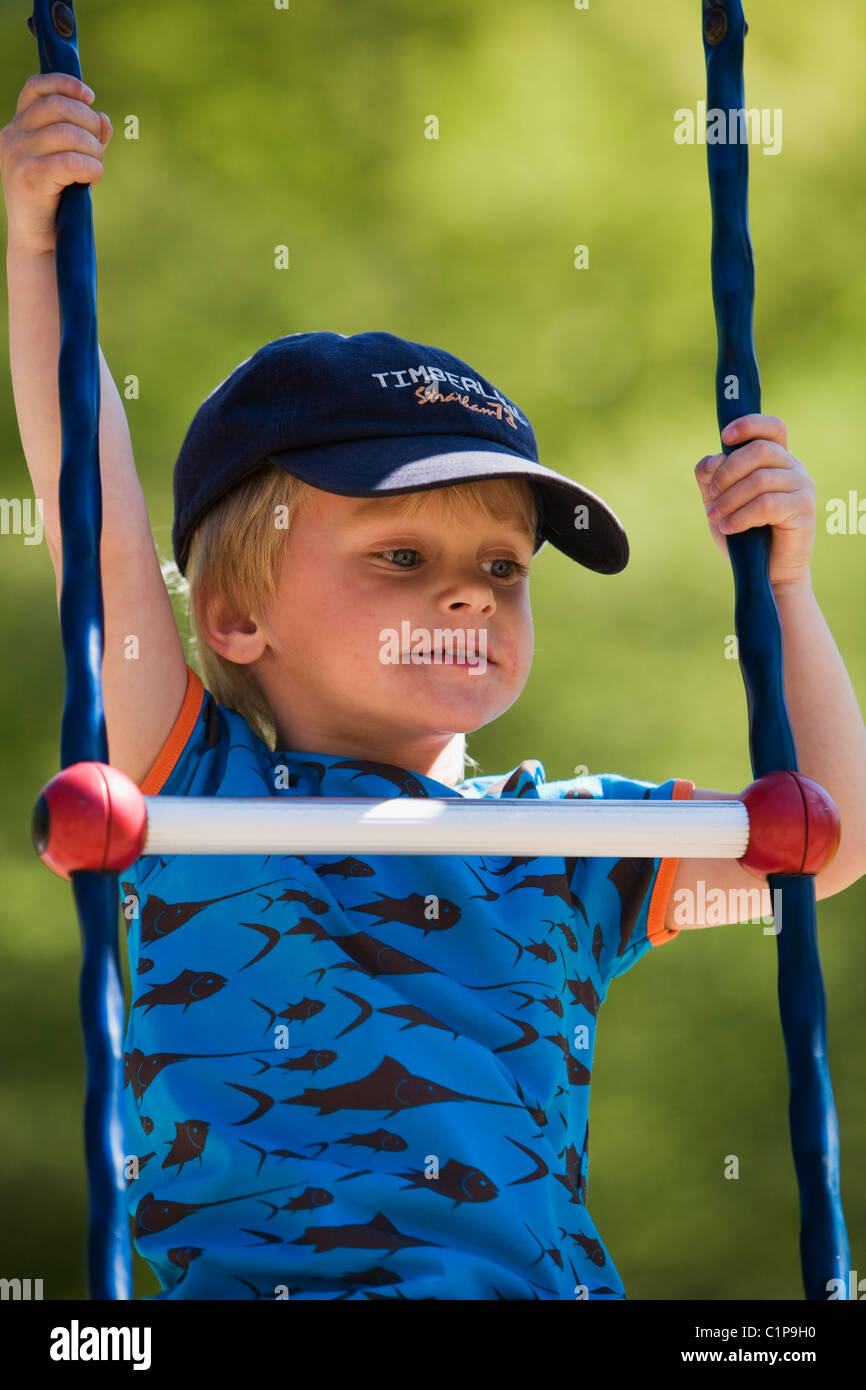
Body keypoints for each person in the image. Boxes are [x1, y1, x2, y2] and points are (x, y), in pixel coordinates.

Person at [3, 72, 864, 1301]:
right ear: (237, 617)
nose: (469, 596)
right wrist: (38, 241)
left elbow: (821, 841)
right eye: (401, 558)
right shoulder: (191, 782)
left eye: (503, 569)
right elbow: (87, 508)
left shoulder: (573, 846)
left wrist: (786, 591)